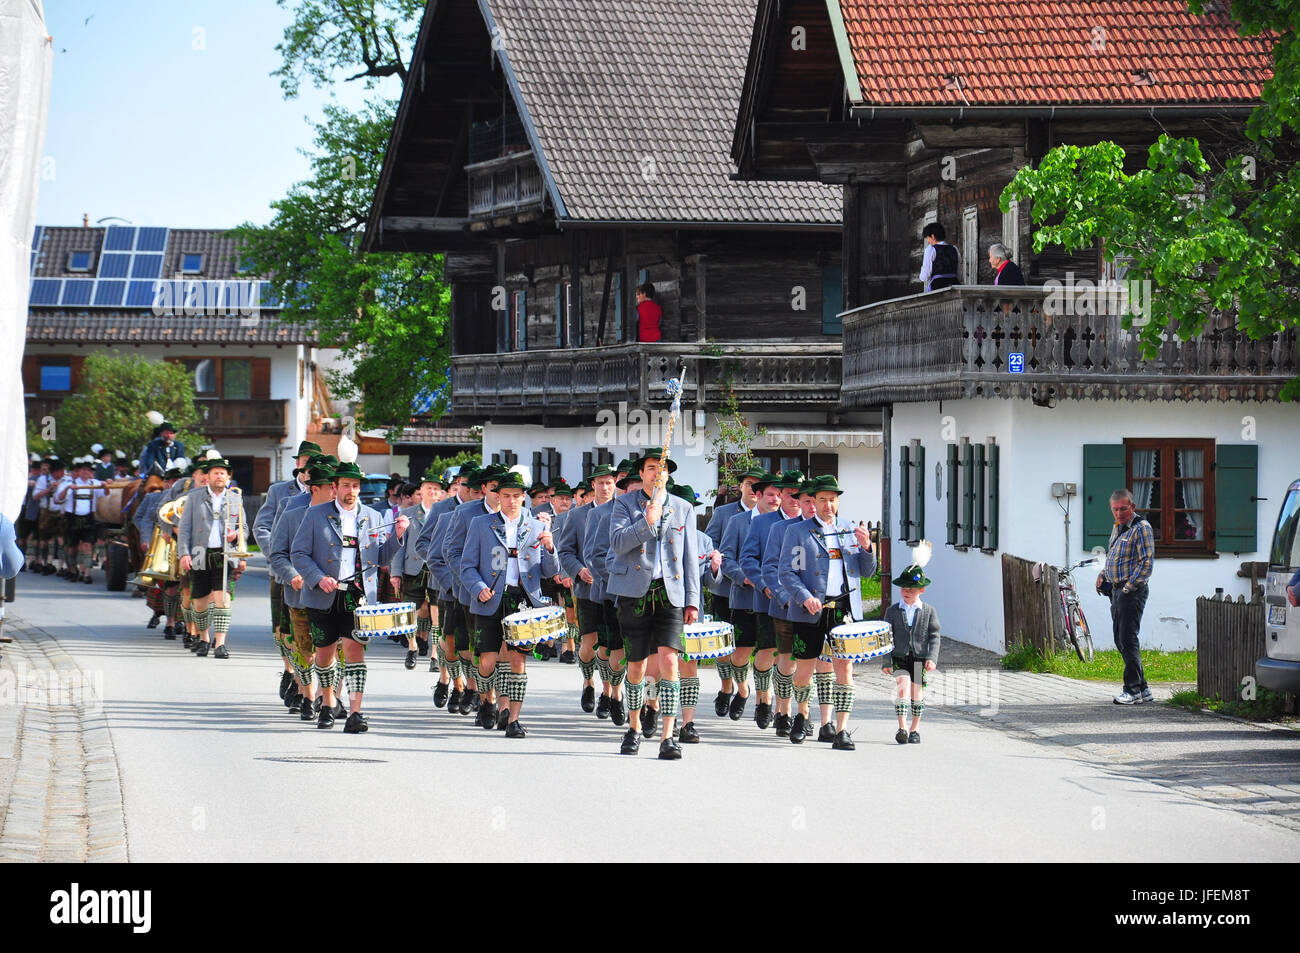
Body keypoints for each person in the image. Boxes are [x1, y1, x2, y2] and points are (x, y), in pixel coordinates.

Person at [291, 438, 409, 732]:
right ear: (335, 487)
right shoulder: (316, 514)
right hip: (322, 595)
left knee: (354, 651)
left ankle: (356, 712)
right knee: (325, 654)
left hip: (358, 595)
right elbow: (299, 553)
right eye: (345, 485)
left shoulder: (373, 516)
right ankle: (328, 704)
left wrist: (397, 537)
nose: (350, 491)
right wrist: (318, 578)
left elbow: (380, 557)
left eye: (355, 486)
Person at [606, 448, 700, 759]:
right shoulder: (623, 504)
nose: (656, 473)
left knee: (670, 663)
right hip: (634, 593)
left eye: (662, 469)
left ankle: (667, 736)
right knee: (637, 667)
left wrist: (692, 601)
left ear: (668, 474)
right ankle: (633, 728)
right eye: (650, 468)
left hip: (669, 593)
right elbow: (618, 544)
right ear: (641, 474)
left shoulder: (684, 508)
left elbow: (688, 557)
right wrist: (647, 521)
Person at [778, 475, 876, 750]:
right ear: (814, 501)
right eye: (822, 500)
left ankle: (841, 729)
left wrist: (867, 548)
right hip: (810, 609)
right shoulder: (798, 532)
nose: (828, 505)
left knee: (844, 667)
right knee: (805, 668)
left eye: (833, 500)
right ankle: (802, 715)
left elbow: (867, 572)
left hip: (843, 609)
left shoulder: (848, 529)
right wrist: (804, 597)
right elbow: (787, 572)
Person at [460, 470, 559, 738]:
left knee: (518, 659)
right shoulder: (481, 524)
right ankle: (487, 700)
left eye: (517, 496)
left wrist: (550, 548)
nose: (512, 501)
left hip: (524, 599)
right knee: (487, 661)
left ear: (524, 497)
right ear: (498, 497)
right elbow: (467, 565)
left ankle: (513, 718)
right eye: (506, 496)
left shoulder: (537, 527)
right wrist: (478, 588)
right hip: (491, 597)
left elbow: (550, 571)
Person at [702, 465, 765, 713]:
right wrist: (722, 564)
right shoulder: (725, 513)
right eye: (749, 484)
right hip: (725, 590)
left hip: (759, 593)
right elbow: (710, 544)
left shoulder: (772, 515)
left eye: (758, 486)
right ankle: (727, 686)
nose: (753, 490)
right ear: (741, 487)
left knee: (752, 645)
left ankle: (752, 692)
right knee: (723, 647)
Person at [177, 454, 247, 658]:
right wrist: (184, 553)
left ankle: (220, 644)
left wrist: (236, 536)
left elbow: (243, 527)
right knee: (199, 600)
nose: (219, 476)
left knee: (222, 598)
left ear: (228, 477)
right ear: (208, 476)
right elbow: (184, 528)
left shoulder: (234, 498)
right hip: (199, 553)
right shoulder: (194, 496)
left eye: (223, 474)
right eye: (216, 473)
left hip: (224, 554)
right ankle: (204, 638)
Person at [1097, 489, 1154, 705]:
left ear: (1133, 507)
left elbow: (1146, 563)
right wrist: (1103, 575)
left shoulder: (1141, 527)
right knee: (1121, 639)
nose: (1119, 513)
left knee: (1127, 639)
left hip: (1132, 591)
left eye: (1123, 508)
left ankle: (1131, 690)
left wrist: (1128, 588)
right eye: (1115, 509)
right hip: (1116, 590)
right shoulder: (1118, 527)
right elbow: (1113, 556)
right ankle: (1143, 688)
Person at [881, 546, 941, 744]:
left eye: (912, 589)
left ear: (921, 590)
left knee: (917, 692)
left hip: (919, 659)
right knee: (902, 689)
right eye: (904, 588)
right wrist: (886, 661)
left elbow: (934, 636)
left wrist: (932, 658)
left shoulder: (928, 611)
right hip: (899, 657)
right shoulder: (892, 611)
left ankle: (915, 728)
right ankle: (902, 727)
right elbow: (886, 638)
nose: (907, 592)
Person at [138, 413, 186, 478]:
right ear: (161, 434)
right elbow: (150, 462)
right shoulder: (153, 445)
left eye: (171, 433)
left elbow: (181, 460)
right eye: (166, 433)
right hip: (159, 474)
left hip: (175, 474)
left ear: (174, 435)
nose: (168, 436)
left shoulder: (178, 445)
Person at [919, 222, 960, 292]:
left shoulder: (931, 249)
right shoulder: (954, 249)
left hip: (938, 286)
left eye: (928, 238)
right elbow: (958, 272)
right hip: (955, 285)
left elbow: (925, 276)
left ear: (932, 236)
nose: (928, 241)